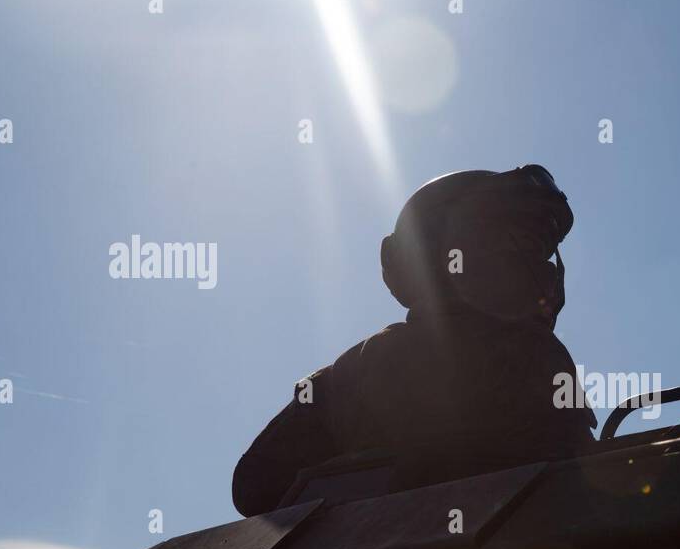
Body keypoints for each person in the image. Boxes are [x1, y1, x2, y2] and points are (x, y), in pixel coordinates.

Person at [231, 165, 596, 517]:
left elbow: (255, 487)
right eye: (524, 246)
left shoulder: (344, 376)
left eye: (542, 253)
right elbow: (583, 491)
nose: (542, 269)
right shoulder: (531, 355)